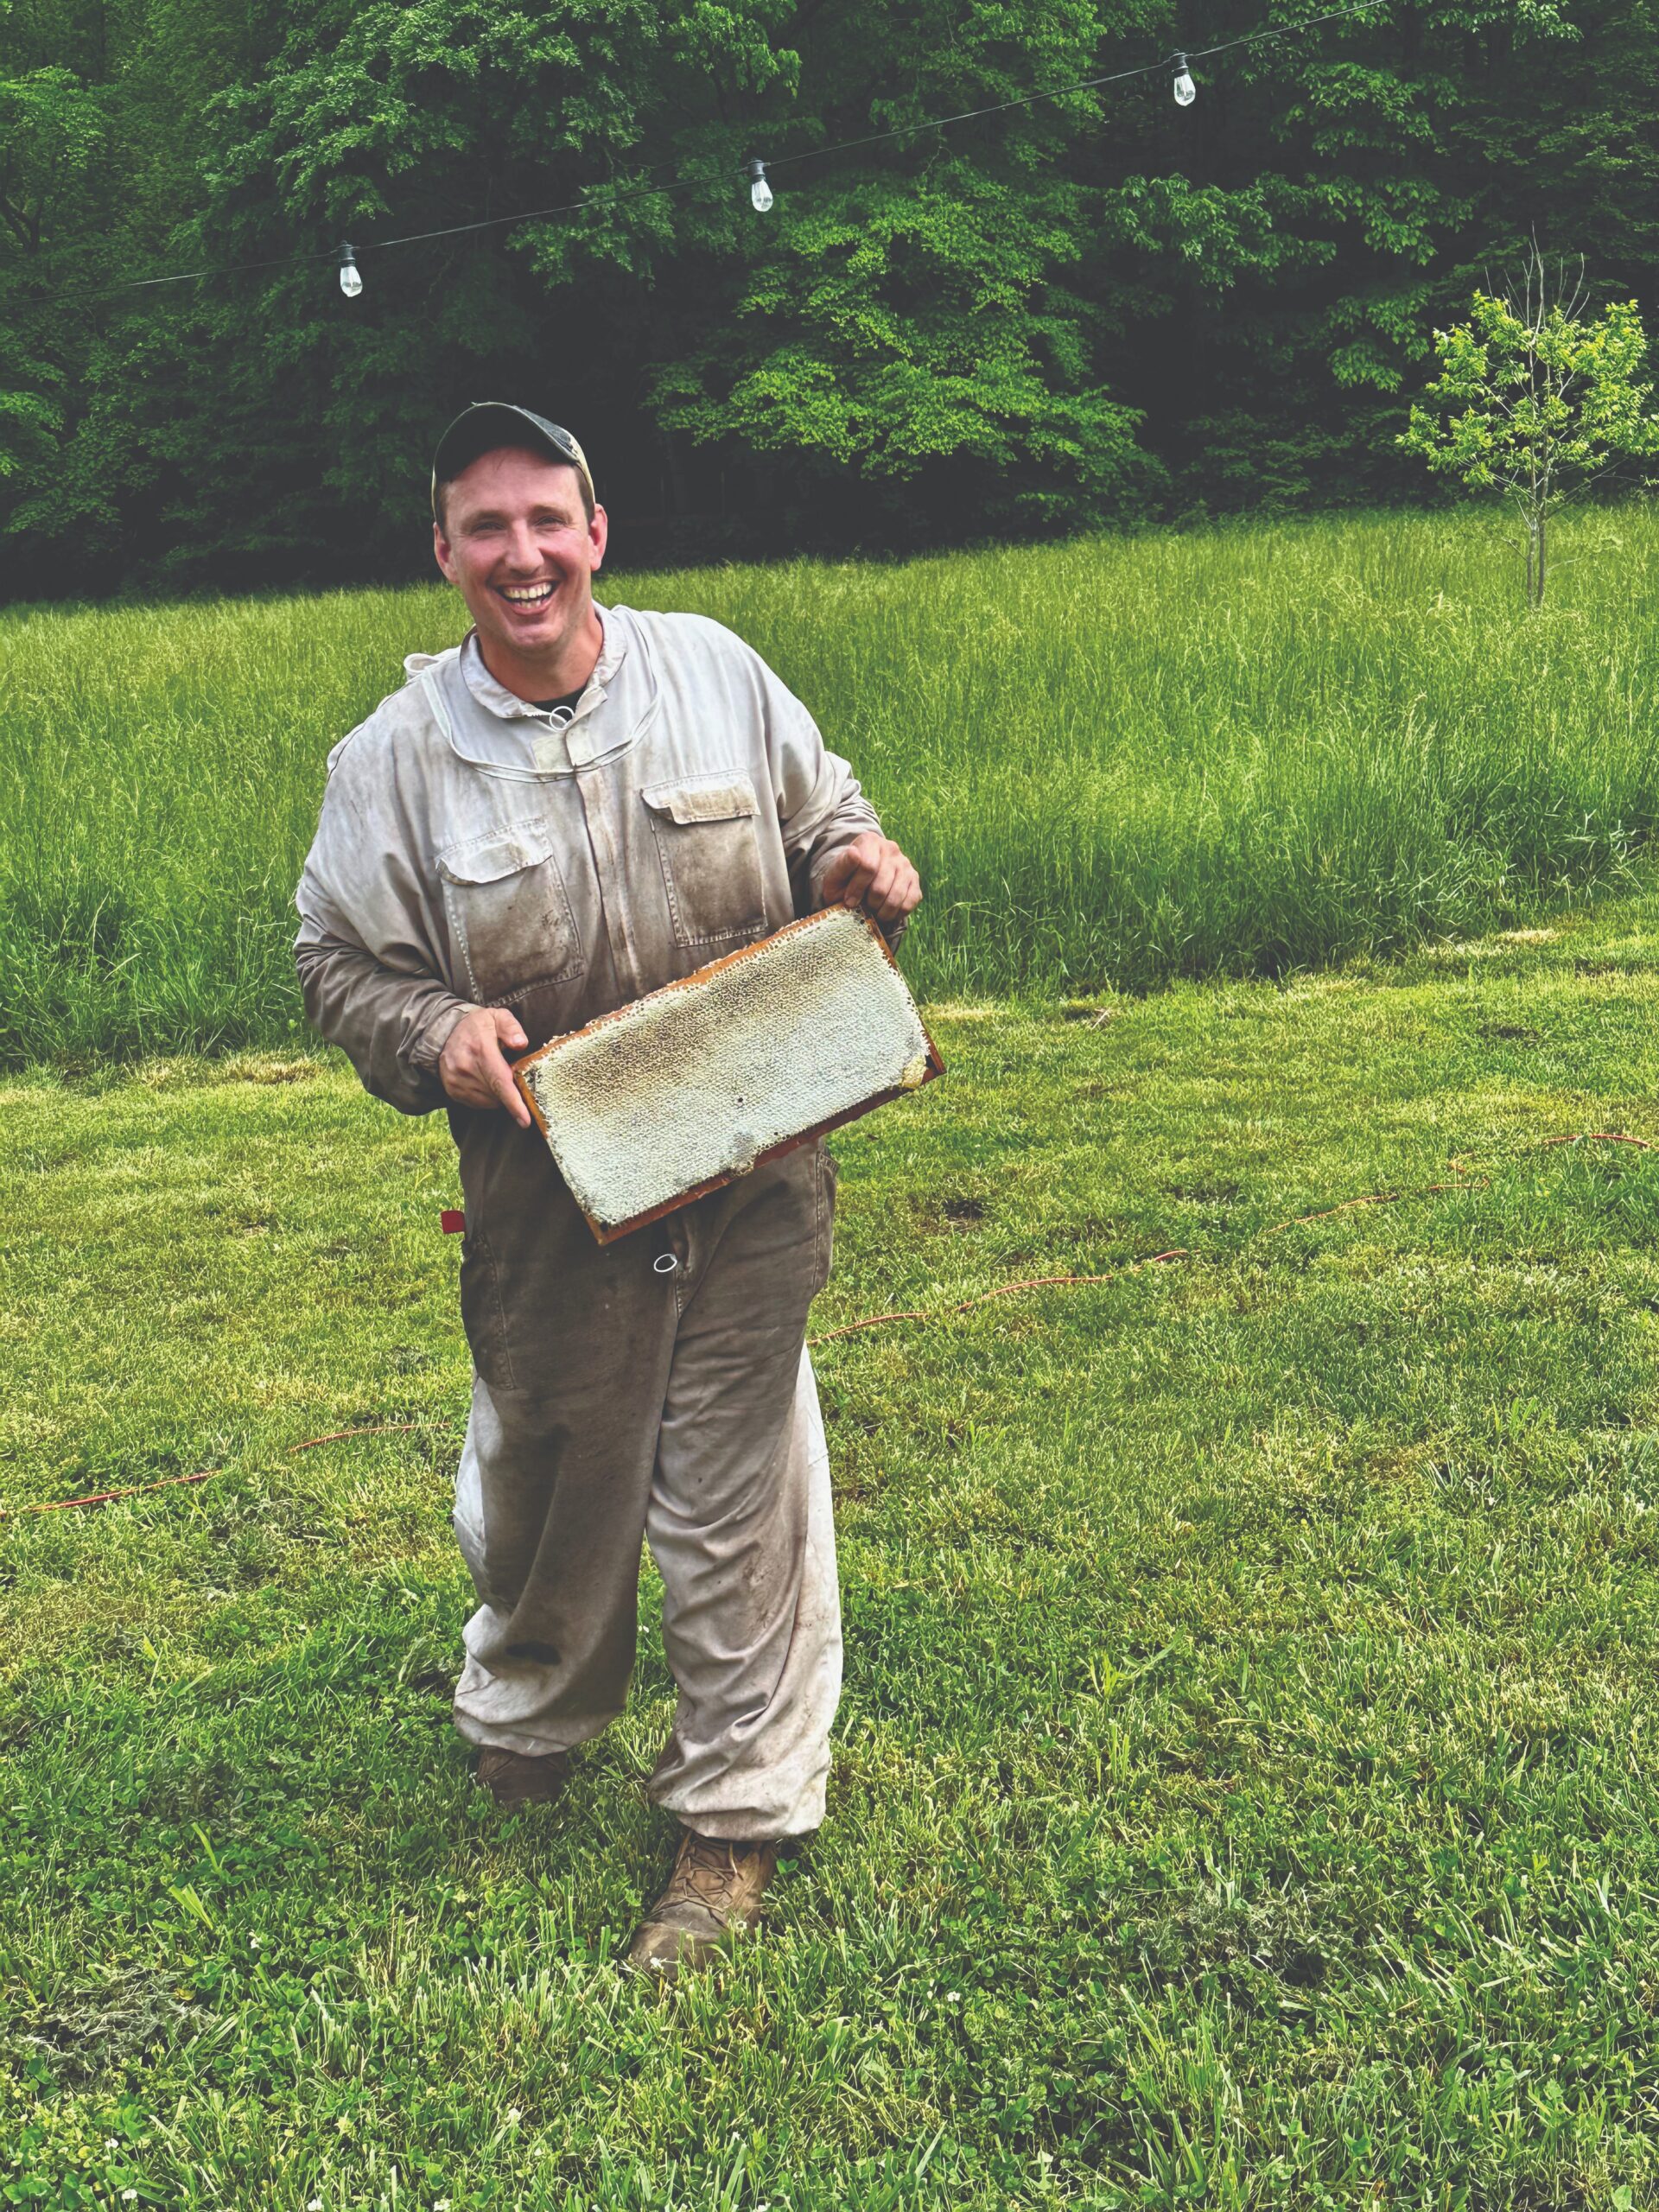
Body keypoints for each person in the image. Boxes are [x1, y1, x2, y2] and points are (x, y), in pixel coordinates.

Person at [294, 404, 923, 1979]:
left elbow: (829, 820)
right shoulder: (395, 761)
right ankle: (536, 1710)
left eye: (548, 521)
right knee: (550, 1483)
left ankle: (732, 1821)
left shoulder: (716, 670)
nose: (524, 555)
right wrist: (437, 1033)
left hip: (756, 1161)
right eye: (487, 527)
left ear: (597, 532)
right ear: (443, 552)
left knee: (735, 1491)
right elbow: (334, 962)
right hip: (545, 1195)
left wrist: (862, 865)